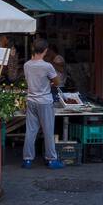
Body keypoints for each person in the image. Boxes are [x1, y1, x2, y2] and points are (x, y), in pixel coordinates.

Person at [22, 39, 64, 169]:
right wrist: (49, 82)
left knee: (30, 131)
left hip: (31, 100)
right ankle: (51, 159)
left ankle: (27, 160)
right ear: (45, 50)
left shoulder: (26, 65)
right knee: (48, 131)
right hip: (45, 101)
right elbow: (57, 82)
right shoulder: (47, 66)